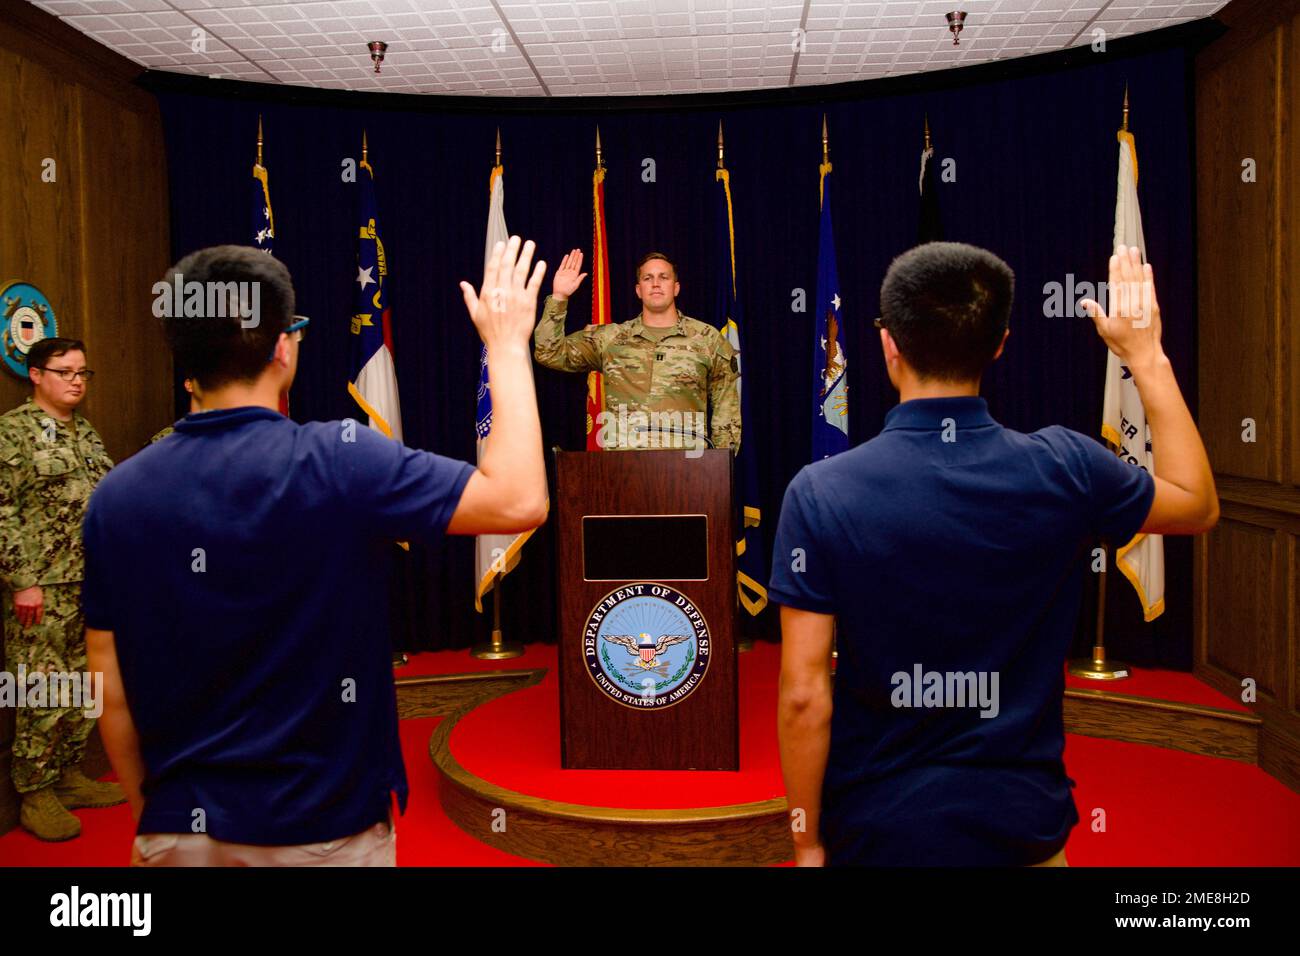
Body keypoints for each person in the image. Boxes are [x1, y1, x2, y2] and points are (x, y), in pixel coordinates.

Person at [84, 238, 548, 866]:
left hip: (176, 832)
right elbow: (519, 500)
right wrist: (508, 341)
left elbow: (108, 684)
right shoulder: (340, 459)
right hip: (324, 834)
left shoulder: (115, 496)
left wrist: (158, 827)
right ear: (282, 346)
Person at [770, 243, 1218, 866]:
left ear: (888, 346)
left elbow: (803, 693)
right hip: (1023, 825)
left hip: (879, 829)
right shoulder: (1068, 467)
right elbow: (1197, 504)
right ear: (1000, 344)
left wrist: (807, 841)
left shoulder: (819, 492)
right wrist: (1146, 355)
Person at [0, 337, 121, 842]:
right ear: (36, 375)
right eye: (65, 371)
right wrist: (22, 580)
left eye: (83, 372)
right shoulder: (13, 433)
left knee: (81, 685)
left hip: (89, 581)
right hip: (42, 590)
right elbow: (3, 511)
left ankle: (68, 774)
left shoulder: (85, 433)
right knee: (41, 687)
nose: (76, 380)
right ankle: (34, 791)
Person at [533, 250, 740, 451]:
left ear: (676, 288)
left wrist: (720, 465)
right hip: (624, 470)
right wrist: (559, 297)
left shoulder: (707, 339)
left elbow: (726, 406)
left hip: (690, 468)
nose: (656, 284)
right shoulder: (611, 339)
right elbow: (549, 353)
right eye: (648, 278)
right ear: (638, 290)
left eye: (663, 277)